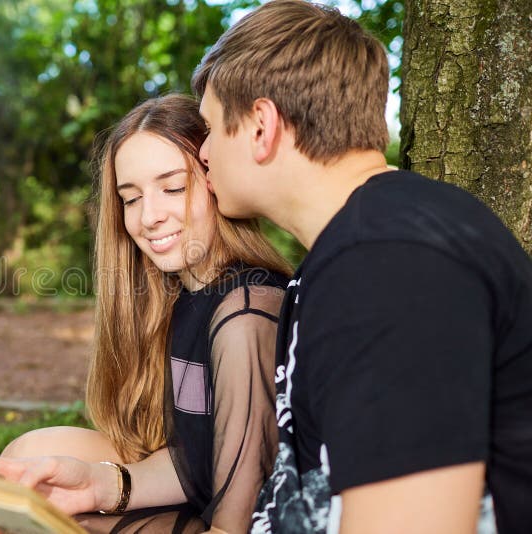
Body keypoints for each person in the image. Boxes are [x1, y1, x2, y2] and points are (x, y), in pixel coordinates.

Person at [191, 1, 532, 533]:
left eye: (210, 128)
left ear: (262, 126)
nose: (203, 152)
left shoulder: (389, 265)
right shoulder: (354, 251)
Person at [0, 94, 293, 534]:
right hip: (200, 503)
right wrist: (101, 488)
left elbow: (239, 520)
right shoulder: (186, 294)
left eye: (172, 188)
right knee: (30, 468)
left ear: (216, 177)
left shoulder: (245, 313)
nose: (148, 217)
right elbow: (196, 458)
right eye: (130, 198)